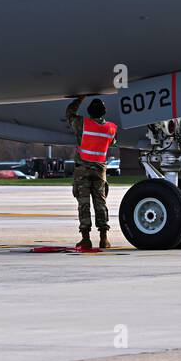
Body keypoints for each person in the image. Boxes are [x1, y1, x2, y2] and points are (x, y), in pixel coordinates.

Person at [65, 96, 117, 249]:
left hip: (83, 170)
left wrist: (79, 99)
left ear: (89, 112)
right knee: (100, 203)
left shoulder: (83, 124)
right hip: (99, 171)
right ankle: (104, 238)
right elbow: (113, 142)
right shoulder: (111, 128)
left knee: (84, 203)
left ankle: (86, 238)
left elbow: (69, 114)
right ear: (104, 112)